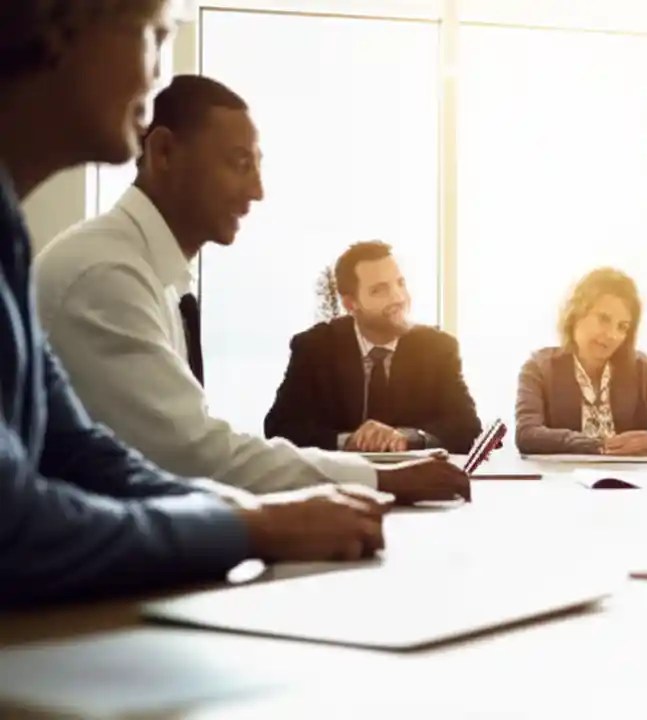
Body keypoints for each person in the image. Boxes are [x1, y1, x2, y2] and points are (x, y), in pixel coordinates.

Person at [0, 0, 394, 605]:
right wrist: (253, 526)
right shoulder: (97, 267)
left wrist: (256, 514)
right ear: (61, 25)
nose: (158, 76)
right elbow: (15, 527)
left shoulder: (13, 242)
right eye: (154, 37)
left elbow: (83, 452)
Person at [35, 75, 468, 502]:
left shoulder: (153, 276)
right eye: (240, 164)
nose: (257, 191)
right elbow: (194, 454)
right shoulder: (107, 274)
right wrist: (378, 480)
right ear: (164, 152)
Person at [264, 241, 481, 454]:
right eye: (379, 290)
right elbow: (280, 428)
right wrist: (348, 441)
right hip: (341, 481)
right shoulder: (315, 347)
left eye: (400, 283)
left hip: (414, 481)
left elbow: (466, 426)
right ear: (351, 304)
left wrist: (407, 437)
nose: (398, 297)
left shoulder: (437, 347)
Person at [515, 267, 647, 459]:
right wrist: (600, 446)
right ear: (576, 313)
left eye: (622, 327)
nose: (612, 335)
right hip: (562, 482)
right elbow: (527, 435)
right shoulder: (539, 368)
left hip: (631, 484)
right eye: (603, 319)